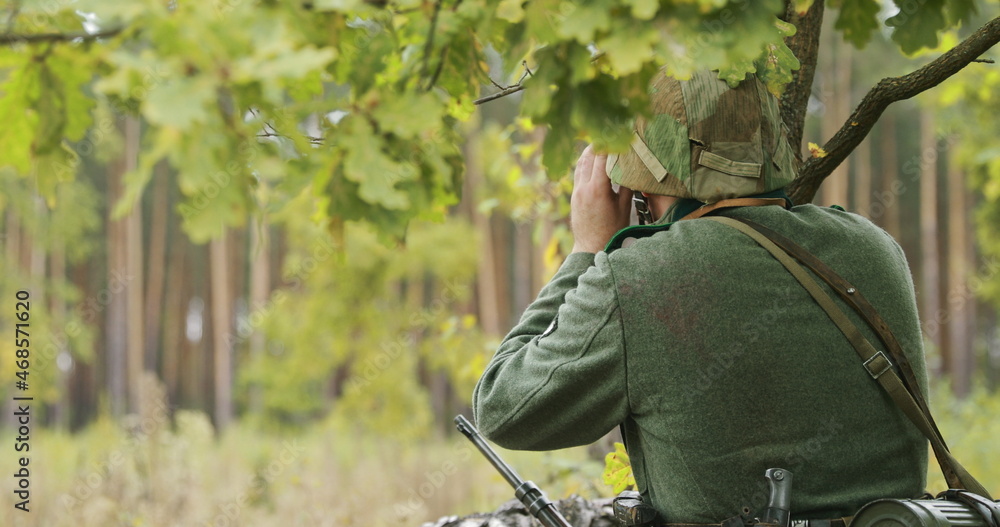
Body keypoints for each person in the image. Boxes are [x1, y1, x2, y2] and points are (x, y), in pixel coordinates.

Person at [472, 69, 929, 525]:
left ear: (639, 187)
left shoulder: (639, 278)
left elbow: (503, 407)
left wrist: (586, 252)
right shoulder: (876, 248)